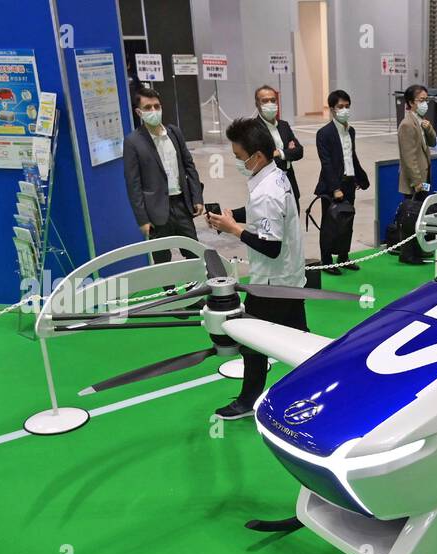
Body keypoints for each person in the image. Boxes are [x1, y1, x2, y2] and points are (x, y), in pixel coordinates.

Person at [206, 118, 305, 420]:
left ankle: (248, 401)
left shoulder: (266, 192)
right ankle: (318, 384)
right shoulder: (275, 176)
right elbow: (260, 215)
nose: (237, 162)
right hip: (288, 278)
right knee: (300, 338)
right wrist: (231, 217)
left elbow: (270, 246)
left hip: (271, 283)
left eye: (239, 156)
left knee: (252, 342)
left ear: (257, 156)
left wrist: (234, 230)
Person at [122, 87, 204, 263]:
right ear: (139, 112)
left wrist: (197, 197)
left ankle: (196, 288)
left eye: (156, 106)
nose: (153, 111)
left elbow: (189, 166)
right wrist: (142, 219)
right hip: (155, 211)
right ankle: (171, 292)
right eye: (148, 108)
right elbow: (133, 185)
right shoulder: (132, 141)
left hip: (182, 204)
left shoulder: (174, 132)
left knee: (194, 253)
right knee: (162, 260)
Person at [314, 89, 369, 272]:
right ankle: (327, 260)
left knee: (347, 222)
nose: (344, 110)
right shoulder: (324, 133)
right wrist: (335, 188)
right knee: (329, 224)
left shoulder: (350, 131)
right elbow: (326, 163)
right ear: (332, 109)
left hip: (349, 183)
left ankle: (344, 257)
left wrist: (361, 178)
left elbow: (351, 156)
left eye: (347, 106)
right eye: (340, 107)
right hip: (331, 186)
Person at [395, 84, 436, 264]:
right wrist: (417, 181)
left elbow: (433, 143)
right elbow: (409, 156)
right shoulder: (407, 125)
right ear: (411, 103)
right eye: (421, 100)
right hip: (415, 181)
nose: (424, 103)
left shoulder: (421, 121)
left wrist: (429, 129)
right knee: (410, 216)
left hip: (424, 177)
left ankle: (418, 249)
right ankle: (408, 253)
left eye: (426, 100)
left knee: (420, 216)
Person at [254, 84, 304, 208]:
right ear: (257, 104)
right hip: (268, 185)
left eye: (273, 100)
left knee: (294, 222)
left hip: (290, 182)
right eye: (265, 101)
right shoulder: (253, 128)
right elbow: (262, 159)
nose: (270, 103)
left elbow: (299, 152)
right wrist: (287, 152)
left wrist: (280, 153)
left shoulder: (284, 125)